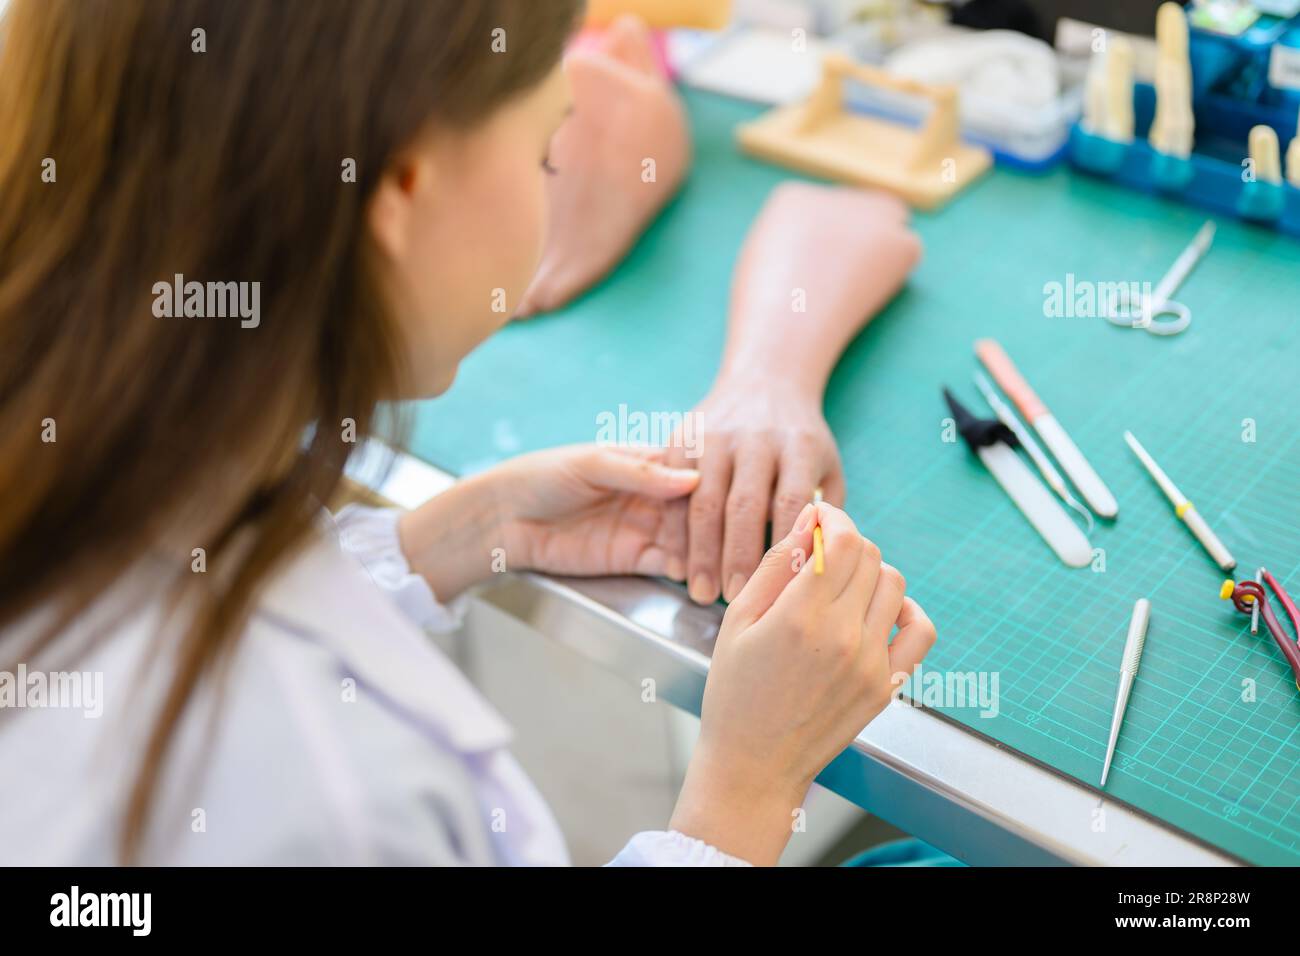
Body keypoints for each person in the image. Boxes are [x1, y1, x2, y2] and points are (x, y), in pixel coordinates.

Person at [0, 0, 935, 866]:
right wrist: (746, 790)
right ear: (404, 189)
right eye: (543, 155)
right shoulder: (345, 801)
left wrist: (469, 530)